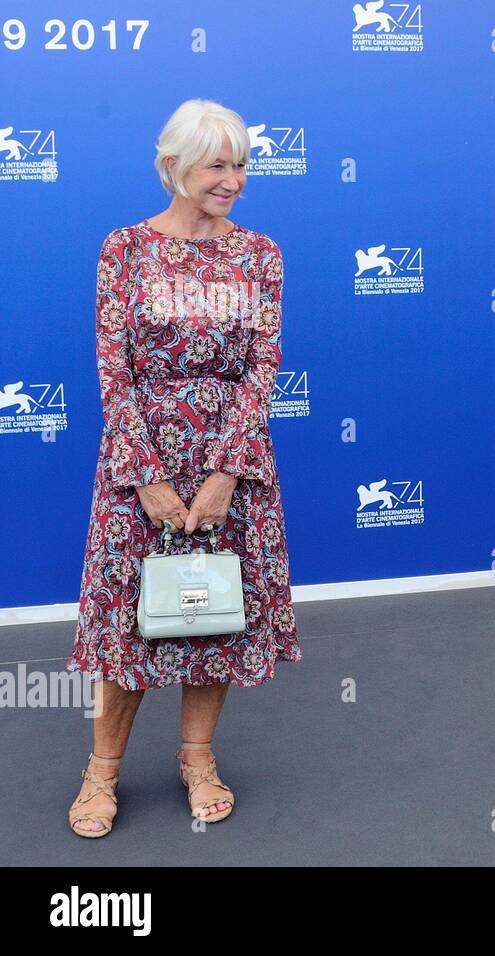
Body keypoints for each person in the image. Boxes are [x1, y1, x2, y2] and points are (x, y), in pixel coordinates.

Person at [65, 99, 300, 837]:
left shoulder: (261, 254)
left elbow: (263, 369)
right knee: (128, 626)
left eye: (241, 165)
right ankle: (100, 775)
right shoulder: (124, 250)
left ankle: (198, 759)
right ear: (174, 165)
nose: (232, 180)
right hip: (143, 459)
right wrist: (146, 475)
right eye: (216, 164)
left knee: (212, 612)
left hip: (233, 459)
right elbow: (115, 369)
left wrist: (228, 471)